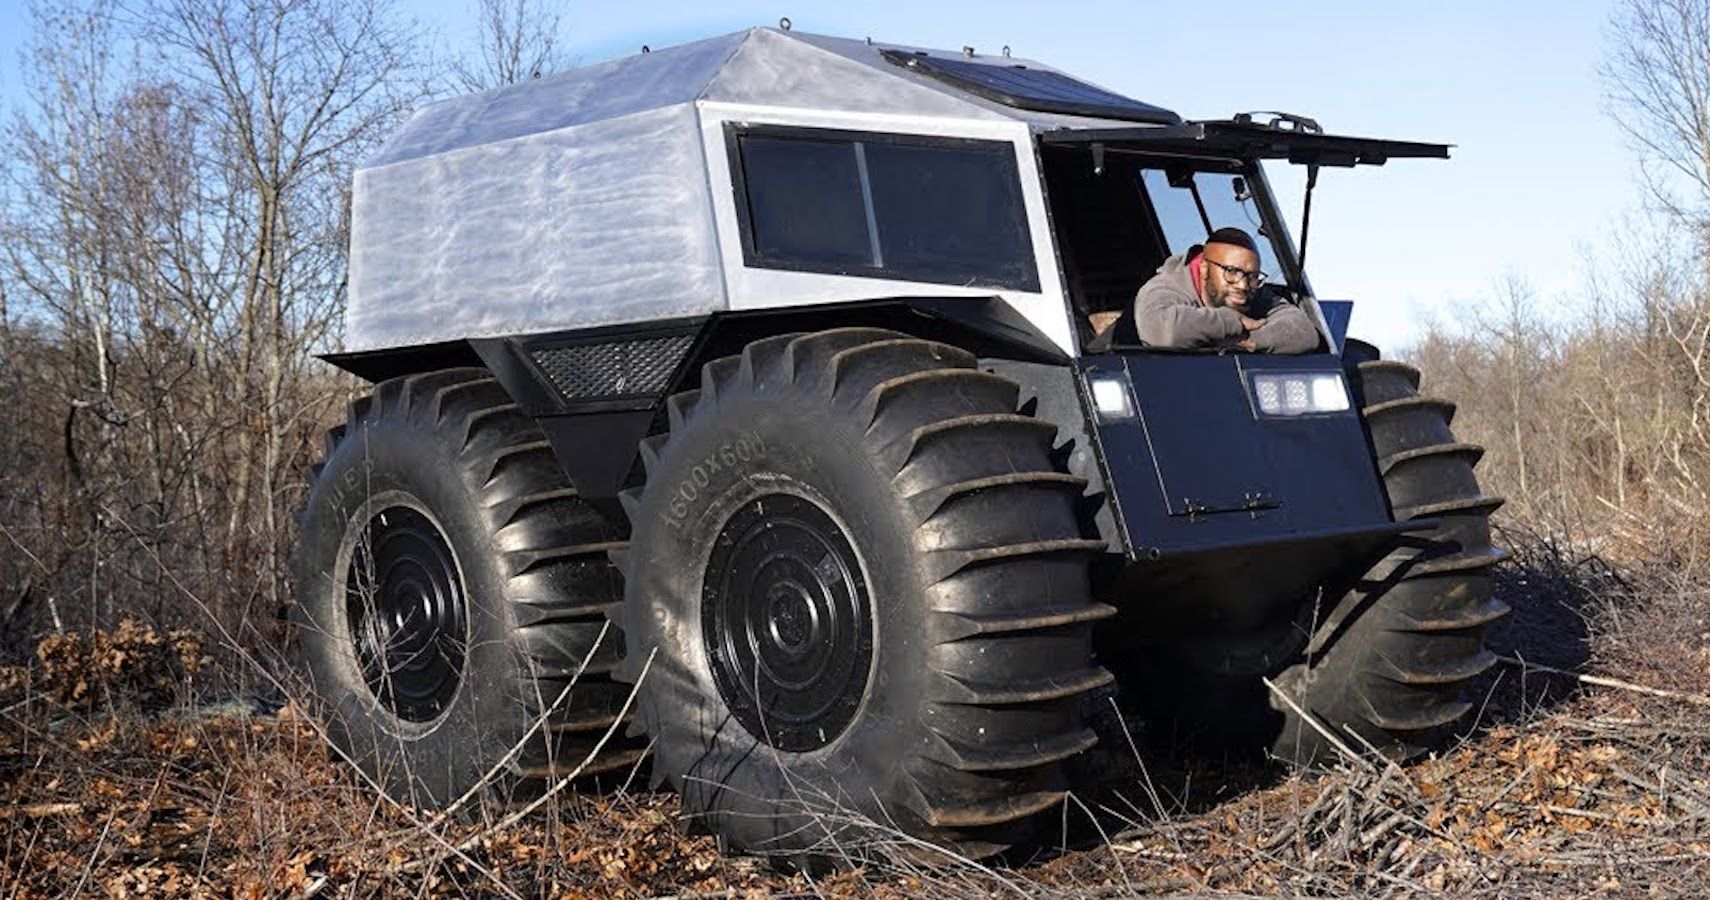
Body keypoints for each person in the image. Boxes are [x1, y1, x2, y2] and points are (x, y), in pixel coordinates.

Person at [1133, 227, 1319, 354]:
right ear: (1204, 269)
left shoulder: (1252, 290)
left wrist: (1248, 341)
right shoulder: (1164, 288)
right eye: (1231, 271)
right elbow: (1164, 333)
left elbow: (1304, 332)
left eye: (1252, 275)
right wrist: (1232, 322)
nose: (1242, 285)